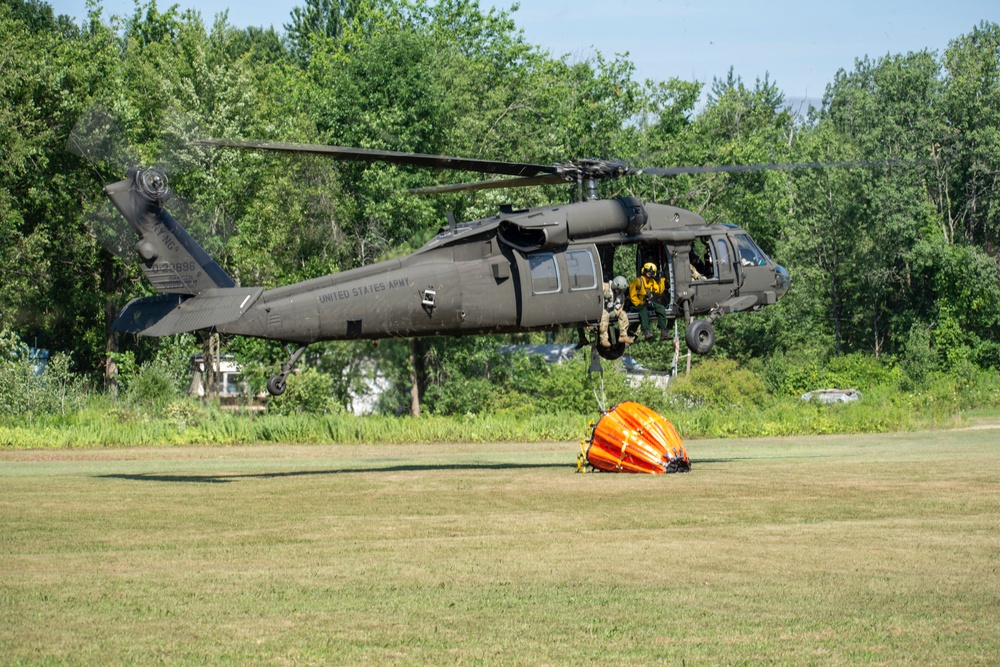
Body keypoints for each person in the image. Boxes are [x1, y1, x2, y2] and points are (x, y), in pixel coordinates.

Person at [628, 262, 669, 340]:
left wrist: (662, 280)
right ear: (644, 271)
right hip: (635, 305)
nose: (649, 273)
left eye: (652, 272)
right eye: (648, 270)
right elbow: (632, 296)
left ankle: (664, 331)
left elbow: (659, 290)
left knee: (660, 308)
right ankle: (646, 331)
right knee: (643, 310)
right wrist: (641, 303)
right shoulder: (638, 281)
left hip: (645, 303)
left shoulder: (652, 282)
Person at [599, 276, 633, 348]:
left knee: (623, 314)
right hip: (601, 310)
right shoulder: (604, 287)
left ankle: (623, 336)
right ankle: (603, 339)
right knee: (604, 315)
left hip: (612, 310)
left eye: (621, 290)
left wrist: (615, 311)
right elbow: (594, 295)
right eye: (618, 290)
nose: (619, 292)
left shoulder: (621, 295)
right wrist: (603, 296)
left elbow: (621, 305)